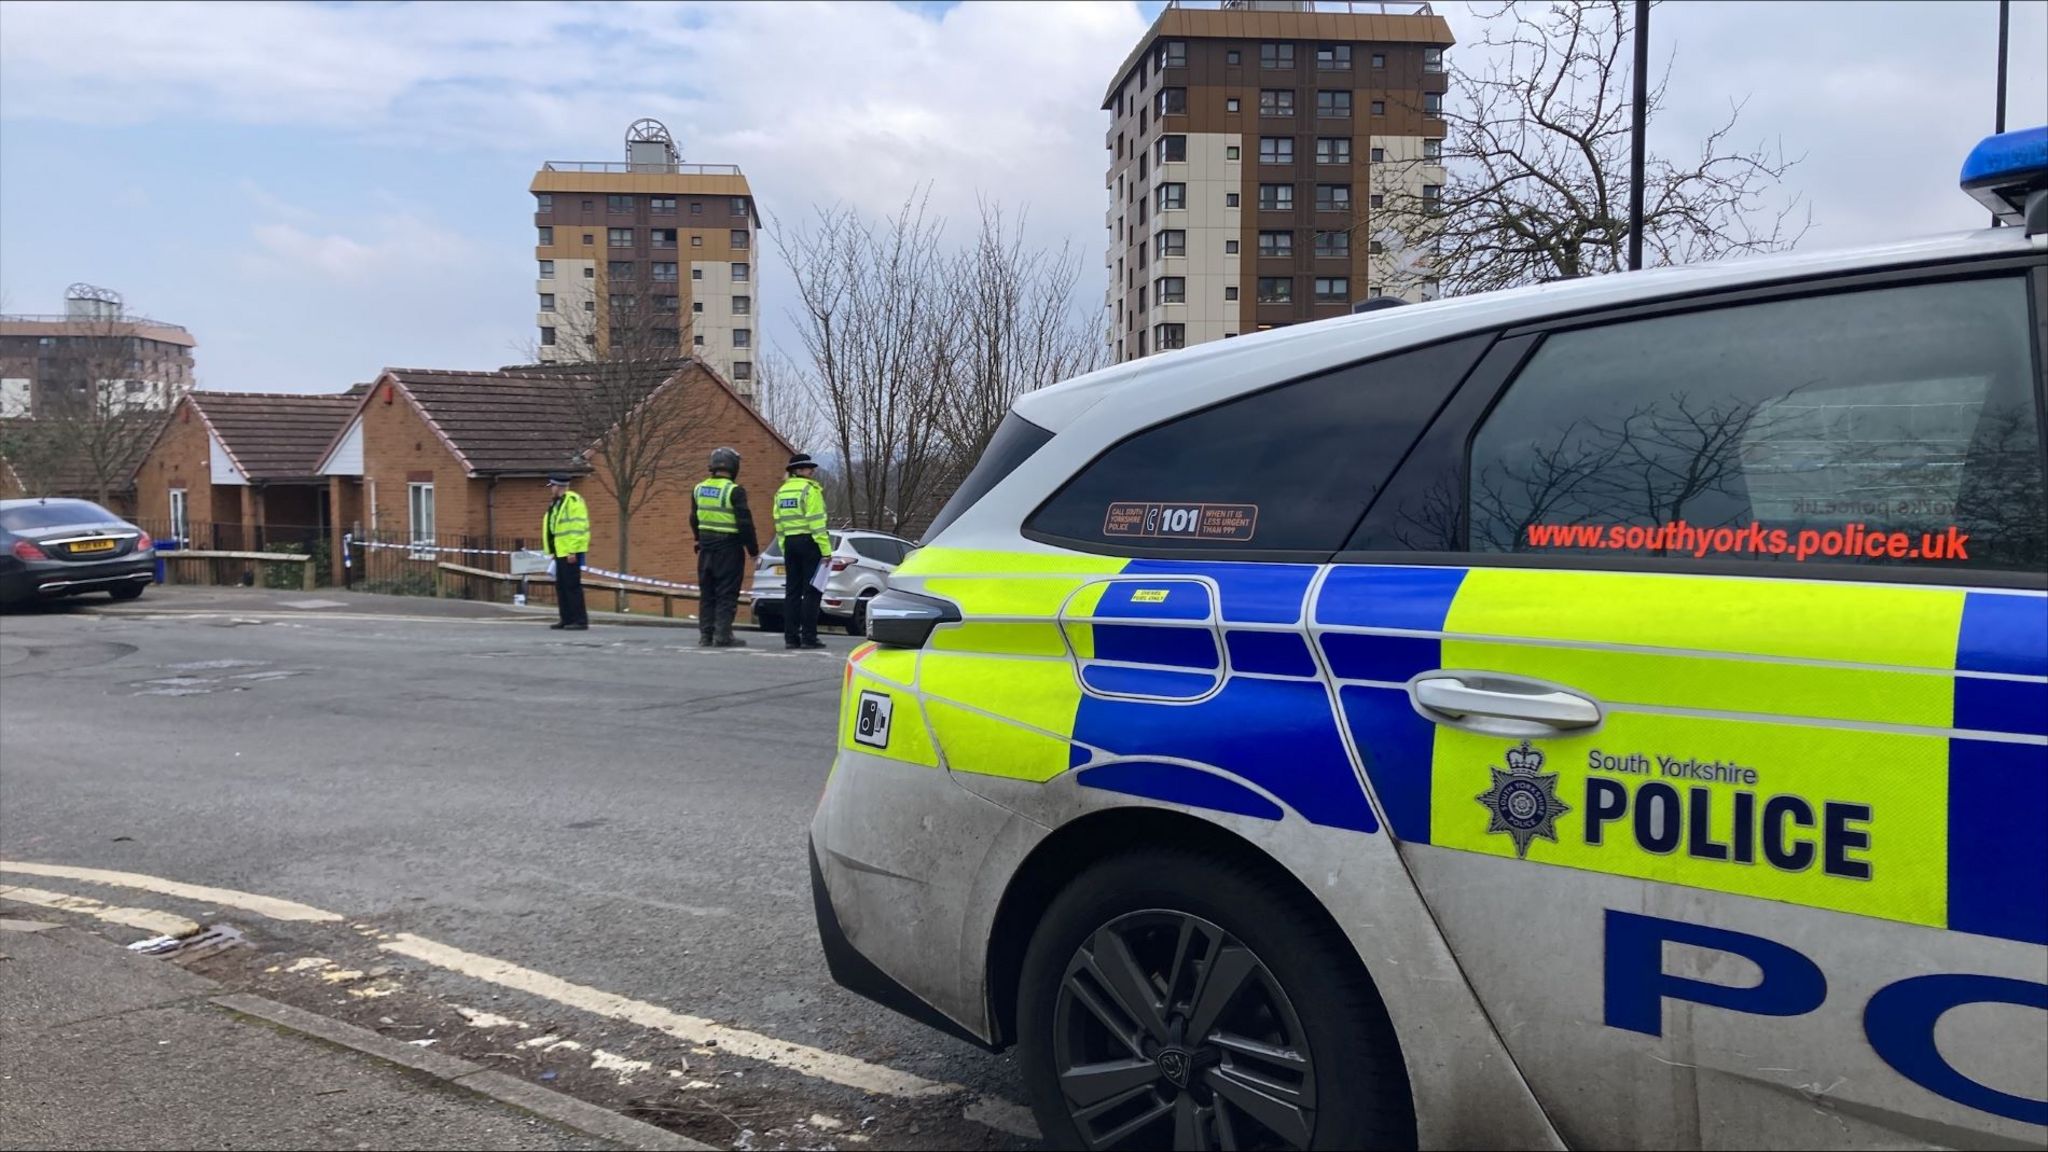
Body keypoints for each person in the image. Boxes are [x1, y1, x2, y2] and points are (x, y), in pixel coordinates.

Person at [691, 446, 758, 647]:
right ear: (734, 467)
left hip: (705, 549)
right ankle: (723, 635)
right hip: (729, 549)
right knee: (726, 593)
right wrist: (753, 550)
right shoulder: (734, 491)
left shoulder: (698, 489)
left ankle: (706, 635)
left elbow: (693, 518)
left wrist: (698, 539)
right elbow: (745, 523)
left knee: (707, 593)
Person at [773, 453, 832, 650]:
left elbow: (779, 524)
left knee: (792, 592)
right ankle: (809, 637)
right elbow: (817, 523)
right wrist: (826, 551)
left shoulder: (781, 492)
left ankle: (791, 638)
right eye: (808, 468)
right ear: (798, 470)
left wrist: (784, 547)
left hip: (790, 543)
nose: (812, 471)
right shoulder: (810, 490)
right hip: (809, 543)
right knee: (812, 591)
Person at [543, 473, 590, 631]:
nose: (551, 489)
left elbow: (578, 528)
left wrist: (572, 551)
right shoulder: (557, 502)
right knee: (562, 586)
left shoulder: (573, 501)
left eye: (552, 486)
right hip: (559, 551)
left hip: (570, 552)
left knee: (572, 586)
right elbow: (553, 527)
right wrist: (551, 550)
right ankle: (566, 618)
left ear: (559, 486)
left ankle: (580, 620)